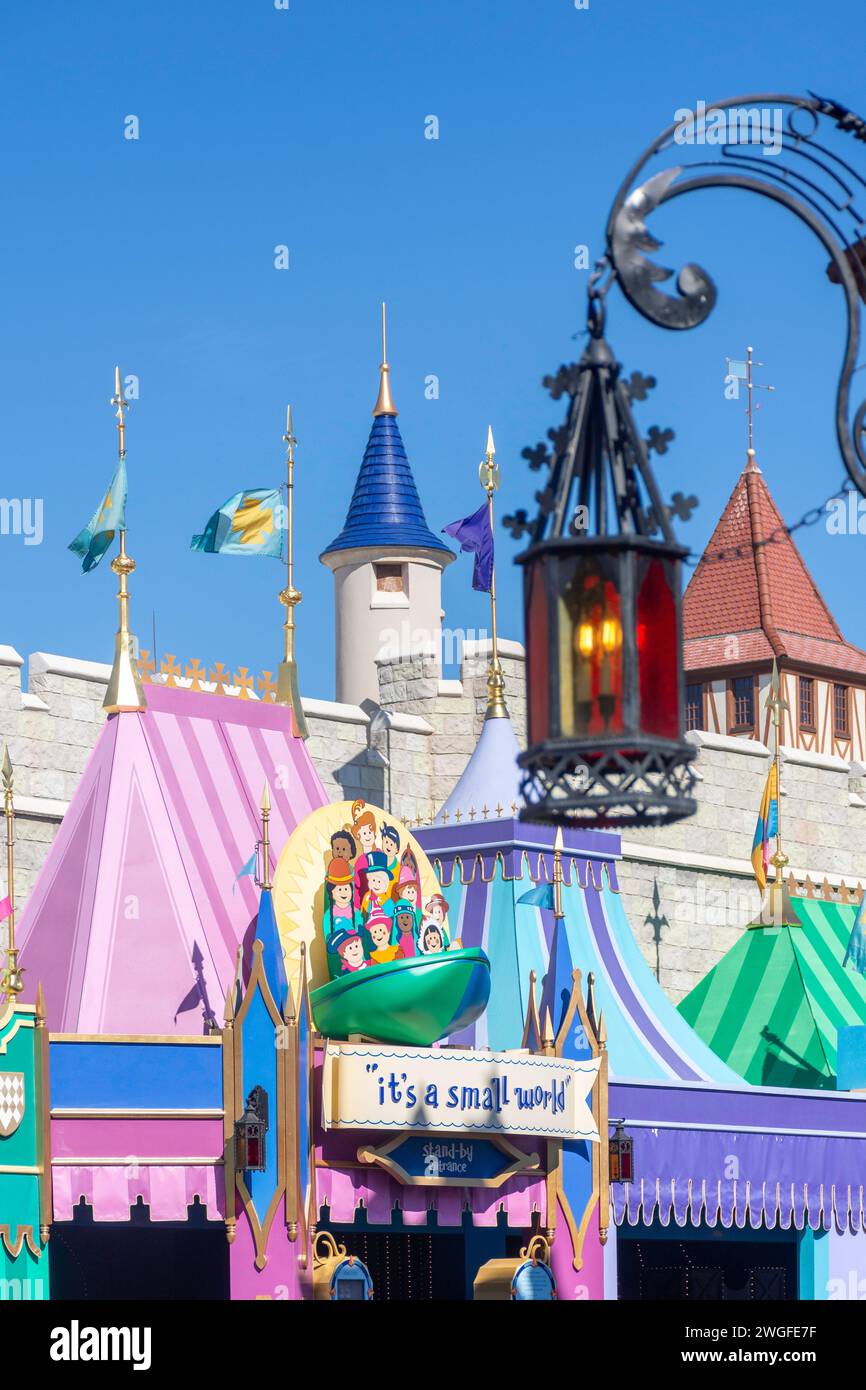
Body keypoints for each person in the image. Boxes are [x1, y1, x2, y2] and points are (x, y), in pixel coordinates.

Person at [323, 858, 363, 976]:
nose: (344, 892)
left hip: (358, 960)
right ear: (331, 893)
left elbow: (362, 936)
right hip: (340, 964)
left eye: (346, 888)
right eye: (339, 889)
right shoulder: (328, 917)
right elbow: (328, 942)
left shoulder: (356, 912)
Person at [350, 800, 379, 909]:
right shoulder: (360, 861)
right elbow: (357, 888)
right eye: (364, 833)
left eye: (370, 832)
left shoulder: (380, 855)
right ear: (359, 836)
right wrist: (357, 909)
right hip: (364, 905)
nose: (368, 836)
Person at [360, 850, 394, 918]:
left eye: (379, 881)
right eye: (373, 880)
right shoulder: (366, 897)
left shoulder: (388, 902)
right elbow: (362, 915)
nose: (376, 884)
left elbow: (391, 919)